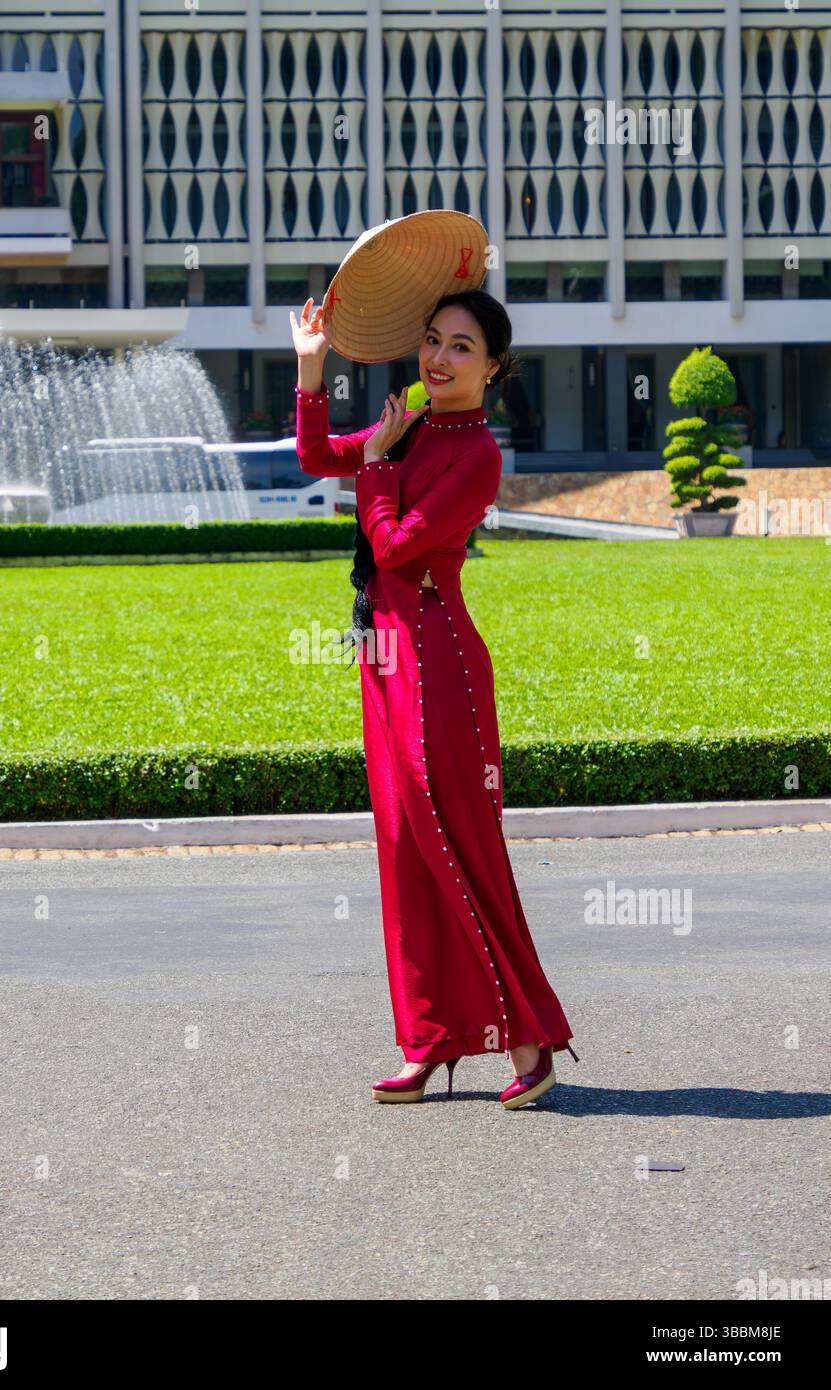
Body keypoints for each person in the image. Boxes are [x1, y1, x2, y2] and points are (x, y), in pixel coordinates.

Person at [291, 288, 578, 1109]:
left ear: (492, 366)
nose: (438, 359)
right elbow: (316, 457)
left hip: (437, 663)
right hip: (385, 658)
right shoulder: (410, 424)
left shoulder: (476, 454)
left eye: (460, 347)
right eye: (430, 341)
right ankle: (427, 1042)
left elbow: (397, 546)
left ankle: (528, 1039)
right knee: (401, 847)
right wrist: (312, 368)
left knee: (456, 840)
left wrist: (377, 464)